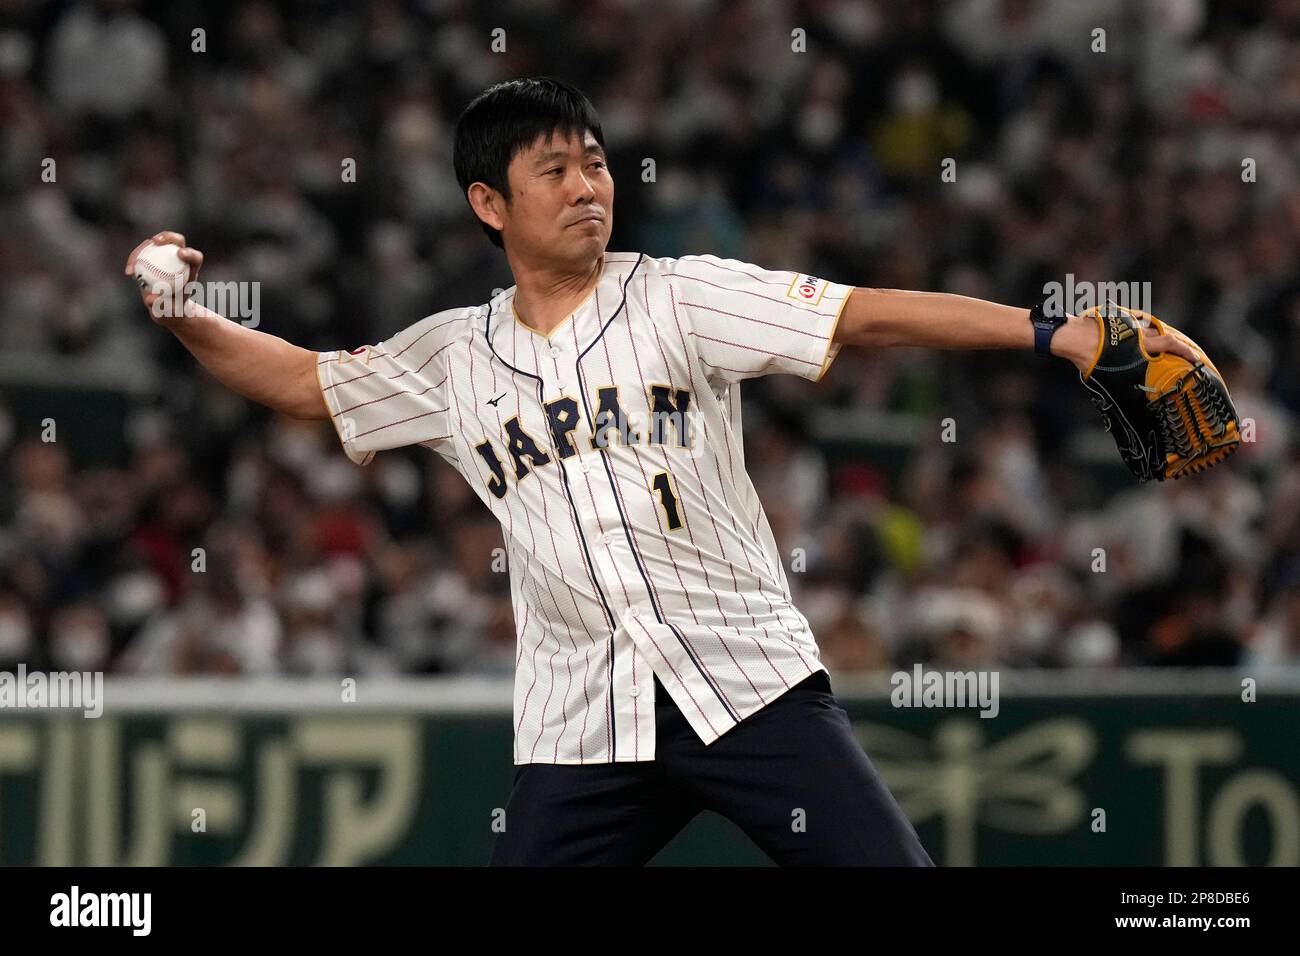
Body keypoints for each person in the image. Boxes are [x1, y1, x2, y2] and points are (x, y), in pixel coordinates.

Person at [125, 76, 1199, 866]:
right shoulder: (451, 355)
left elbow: (860, 314)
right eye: (552, 169)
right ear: (487, 204)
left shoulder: (679, 293)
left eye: (593, 162)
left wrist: (1052, 328)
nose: (587, 184)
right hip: (582, 718)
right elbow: (308, 383)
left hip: (747, 684)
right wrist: (179, 311)